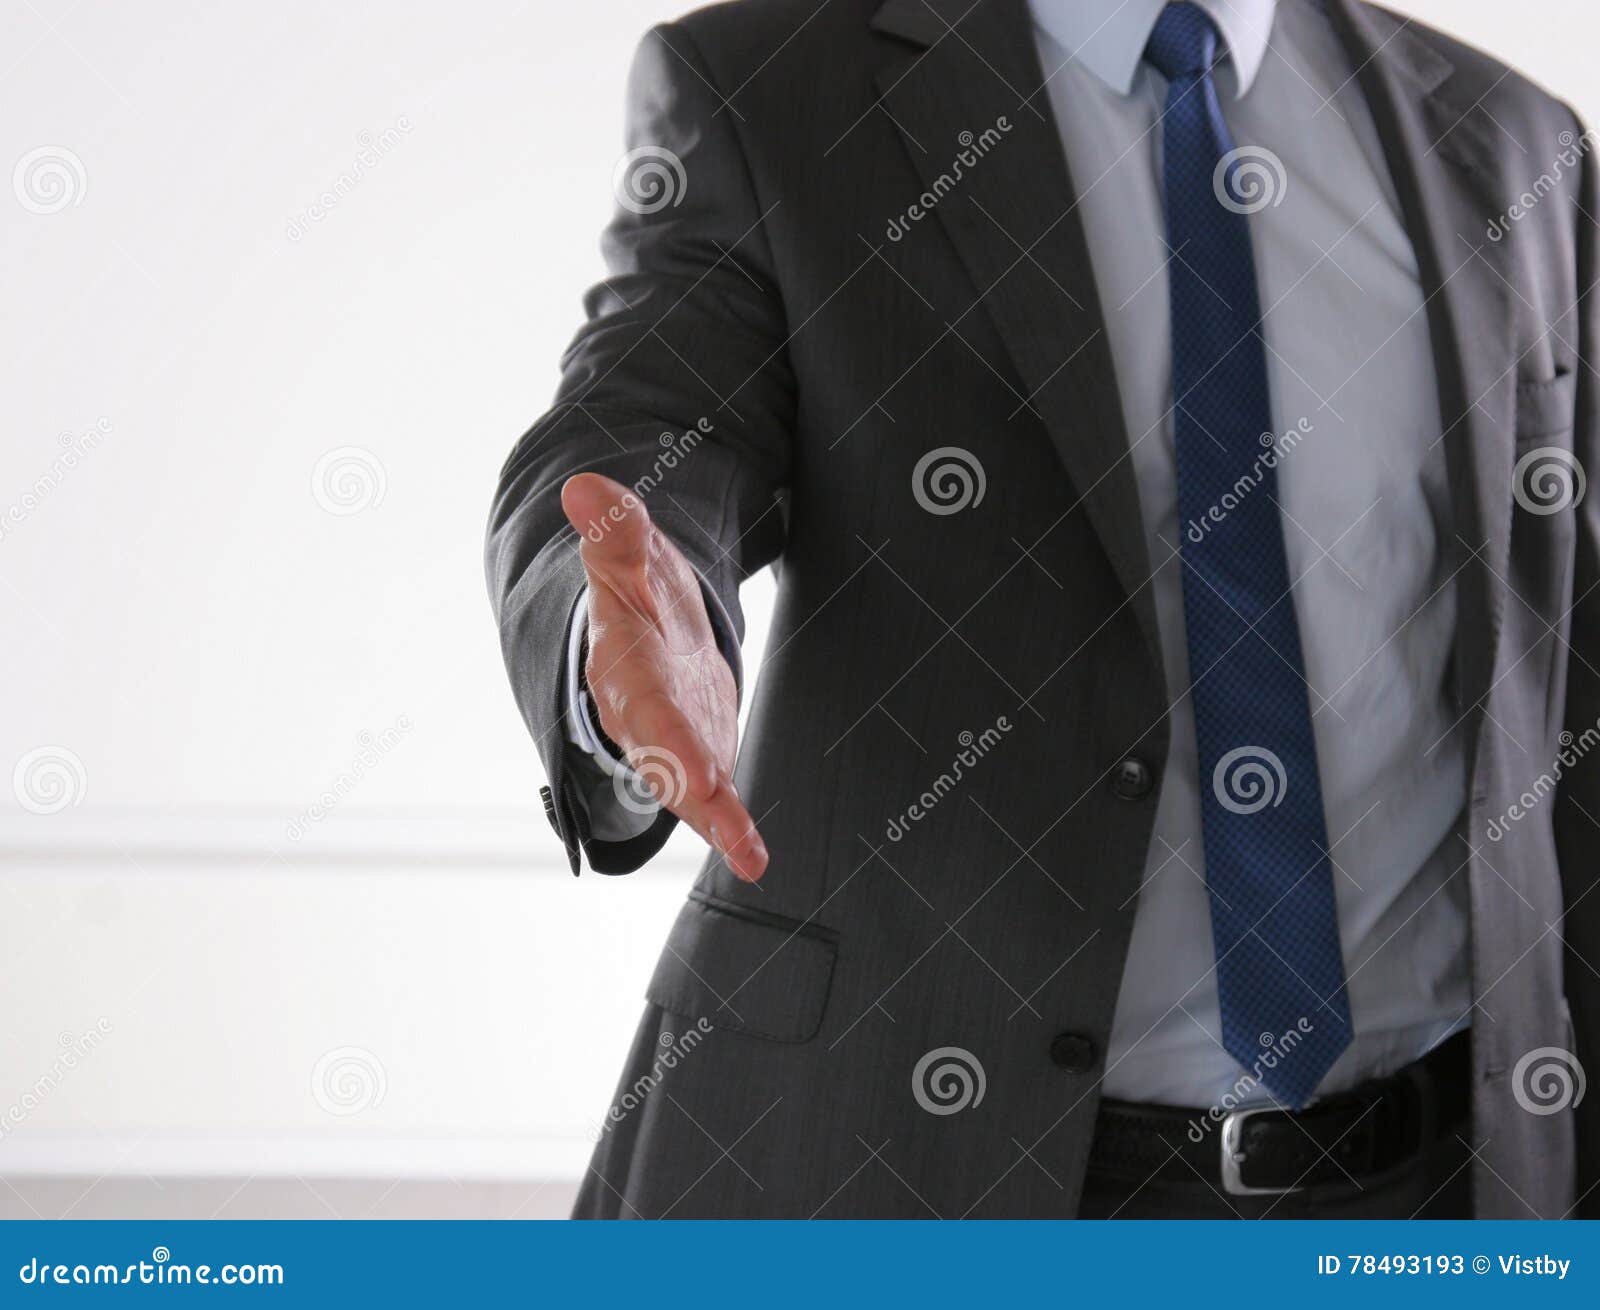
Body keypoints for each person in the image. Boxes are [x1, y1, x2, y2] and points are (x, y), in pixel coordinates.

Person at [485, 0, 1598, 1218]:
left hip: (1439, 1181)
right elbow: (642, 429)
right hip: (914, 1161)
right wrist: (626, 628)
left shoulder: (1510, 141)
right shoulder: (771, 83)